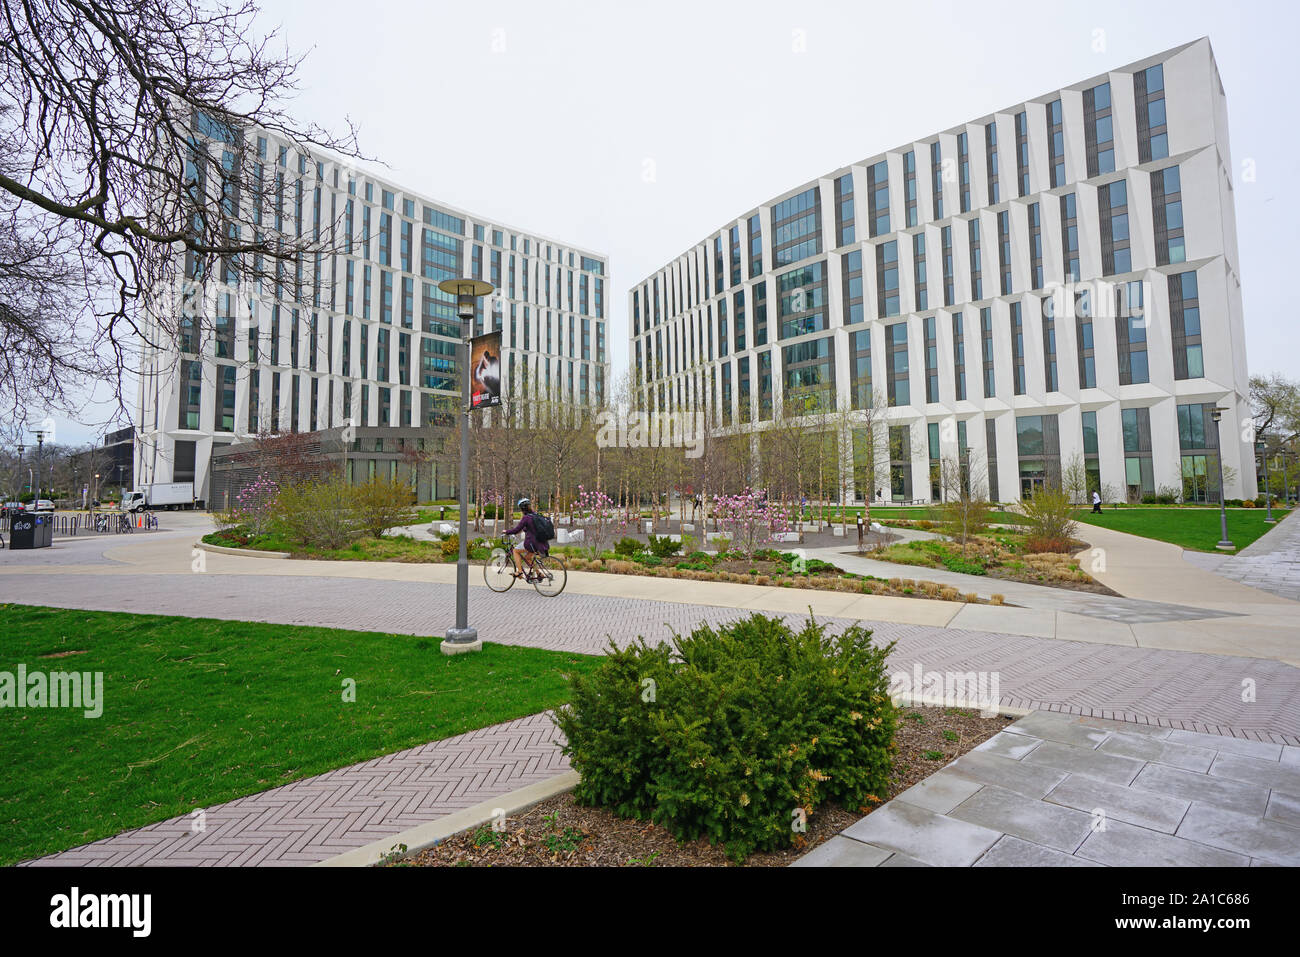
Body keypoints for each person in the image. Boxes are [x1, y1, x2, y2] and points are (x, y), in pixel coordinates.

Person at [504, 498, 548, 580]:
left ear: (522, 508)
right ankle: (539, 573)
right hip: (541, 543)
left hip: (532, 543)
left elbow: (516, 530)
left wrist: (506, 531)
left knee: (515, 551)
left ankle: (519, 572)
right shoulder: (536, 515)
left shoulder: (526, 518)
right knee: (528, 558)